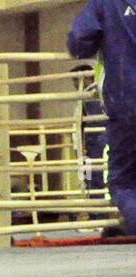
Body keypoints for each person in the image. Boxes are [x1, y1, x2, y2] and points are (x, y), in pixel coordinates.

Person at [68, 0, 136, 234]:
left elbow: (79, 43)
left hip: (127, 103)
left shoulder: (107, 4)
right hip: (126, 103)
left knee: (123, 183)